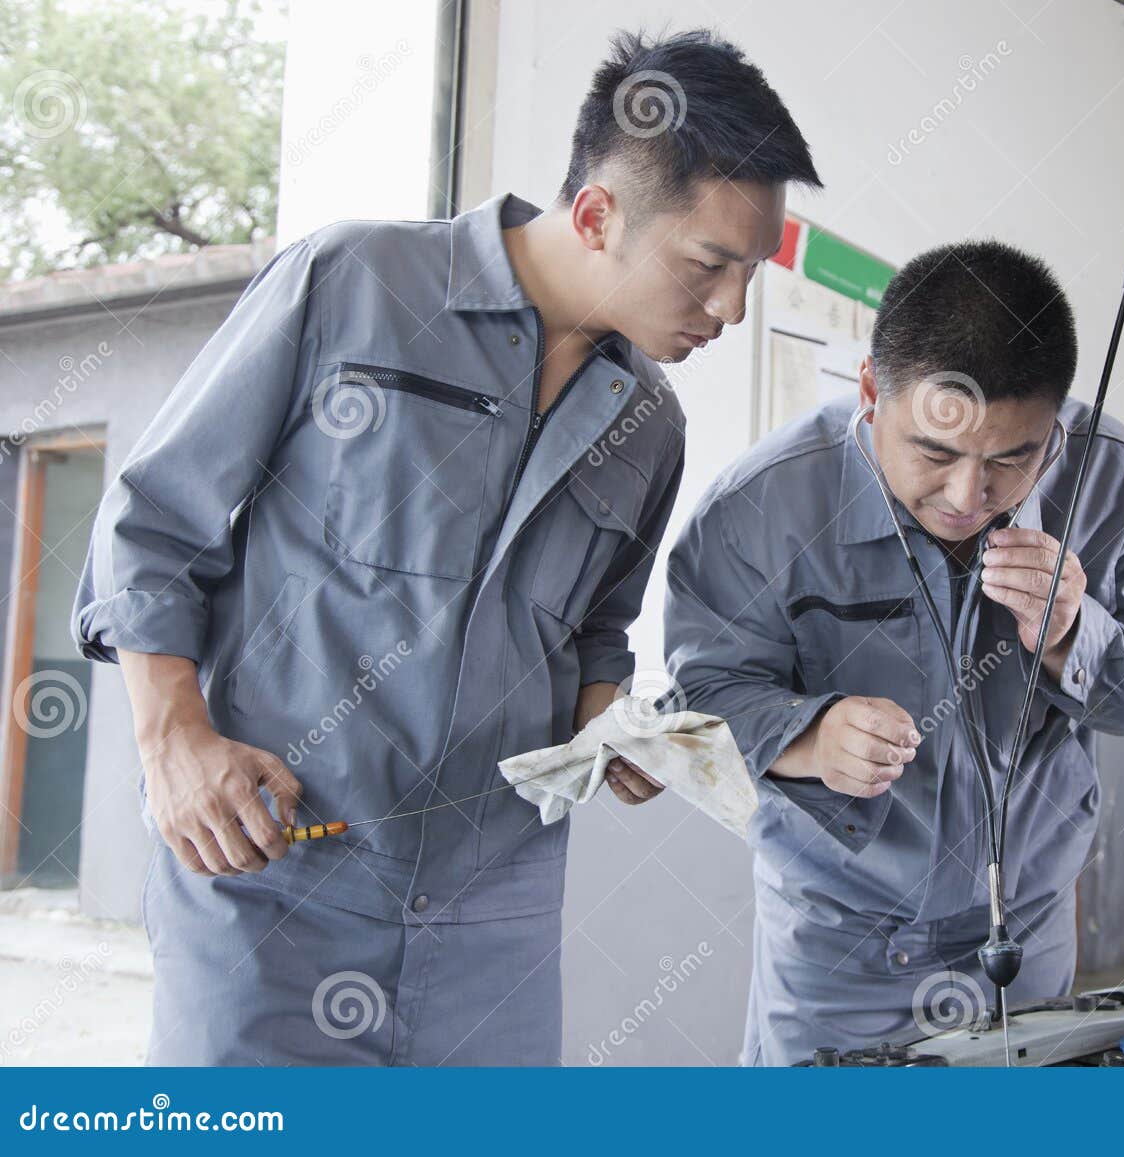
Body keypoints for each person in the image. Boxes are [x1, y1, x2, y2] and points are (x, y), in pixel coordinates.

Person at [72, 28, 820, 1066]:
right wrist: (173, 743)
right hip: (279, 883)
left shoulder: (649, 424)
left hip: (490, 920)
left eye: (752, 275)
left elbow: (596, 634)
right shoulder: (355, 283)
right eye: (711, 265)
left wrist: (621, 735)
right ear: (599, 213)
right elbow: (151, 521)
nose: (732, 308)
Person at [664, 239, 1124, 1065]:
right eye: (936, 452)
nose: (966, 497)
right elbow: (697, 707)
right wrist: (809, 736)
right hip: (839, 955)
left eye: (1011, 460)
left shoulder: (1116, 482)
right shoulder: (761, 508)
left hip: (1026, 943)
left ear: (1054, 426)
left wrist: (1075, 631)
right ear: (873, 393)